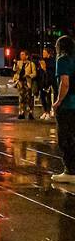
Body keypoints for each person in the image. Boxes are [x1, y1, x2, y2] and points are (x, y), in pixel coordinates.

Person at [52, 35, 75, 186]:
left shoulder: (63, 60)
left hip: (68, 105)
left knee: (65, 139)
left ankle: (70, 171)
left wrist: (58, 101)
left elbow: (64, 83)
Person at [12, 50, 37, 120]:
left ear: (27, 56)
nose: (21, 56)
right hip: (20, 82)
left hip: (27, 82)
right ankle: (21, 113)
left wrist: (28, 75)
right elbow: (14, 70)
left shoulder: (31, 64)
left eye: (23, 54)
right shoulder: (18, 63)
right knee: (21, 98)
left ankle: (30, 113)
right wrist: (15, 63)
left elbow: (34, 73)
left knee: (29, 98)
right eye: (20, 54)